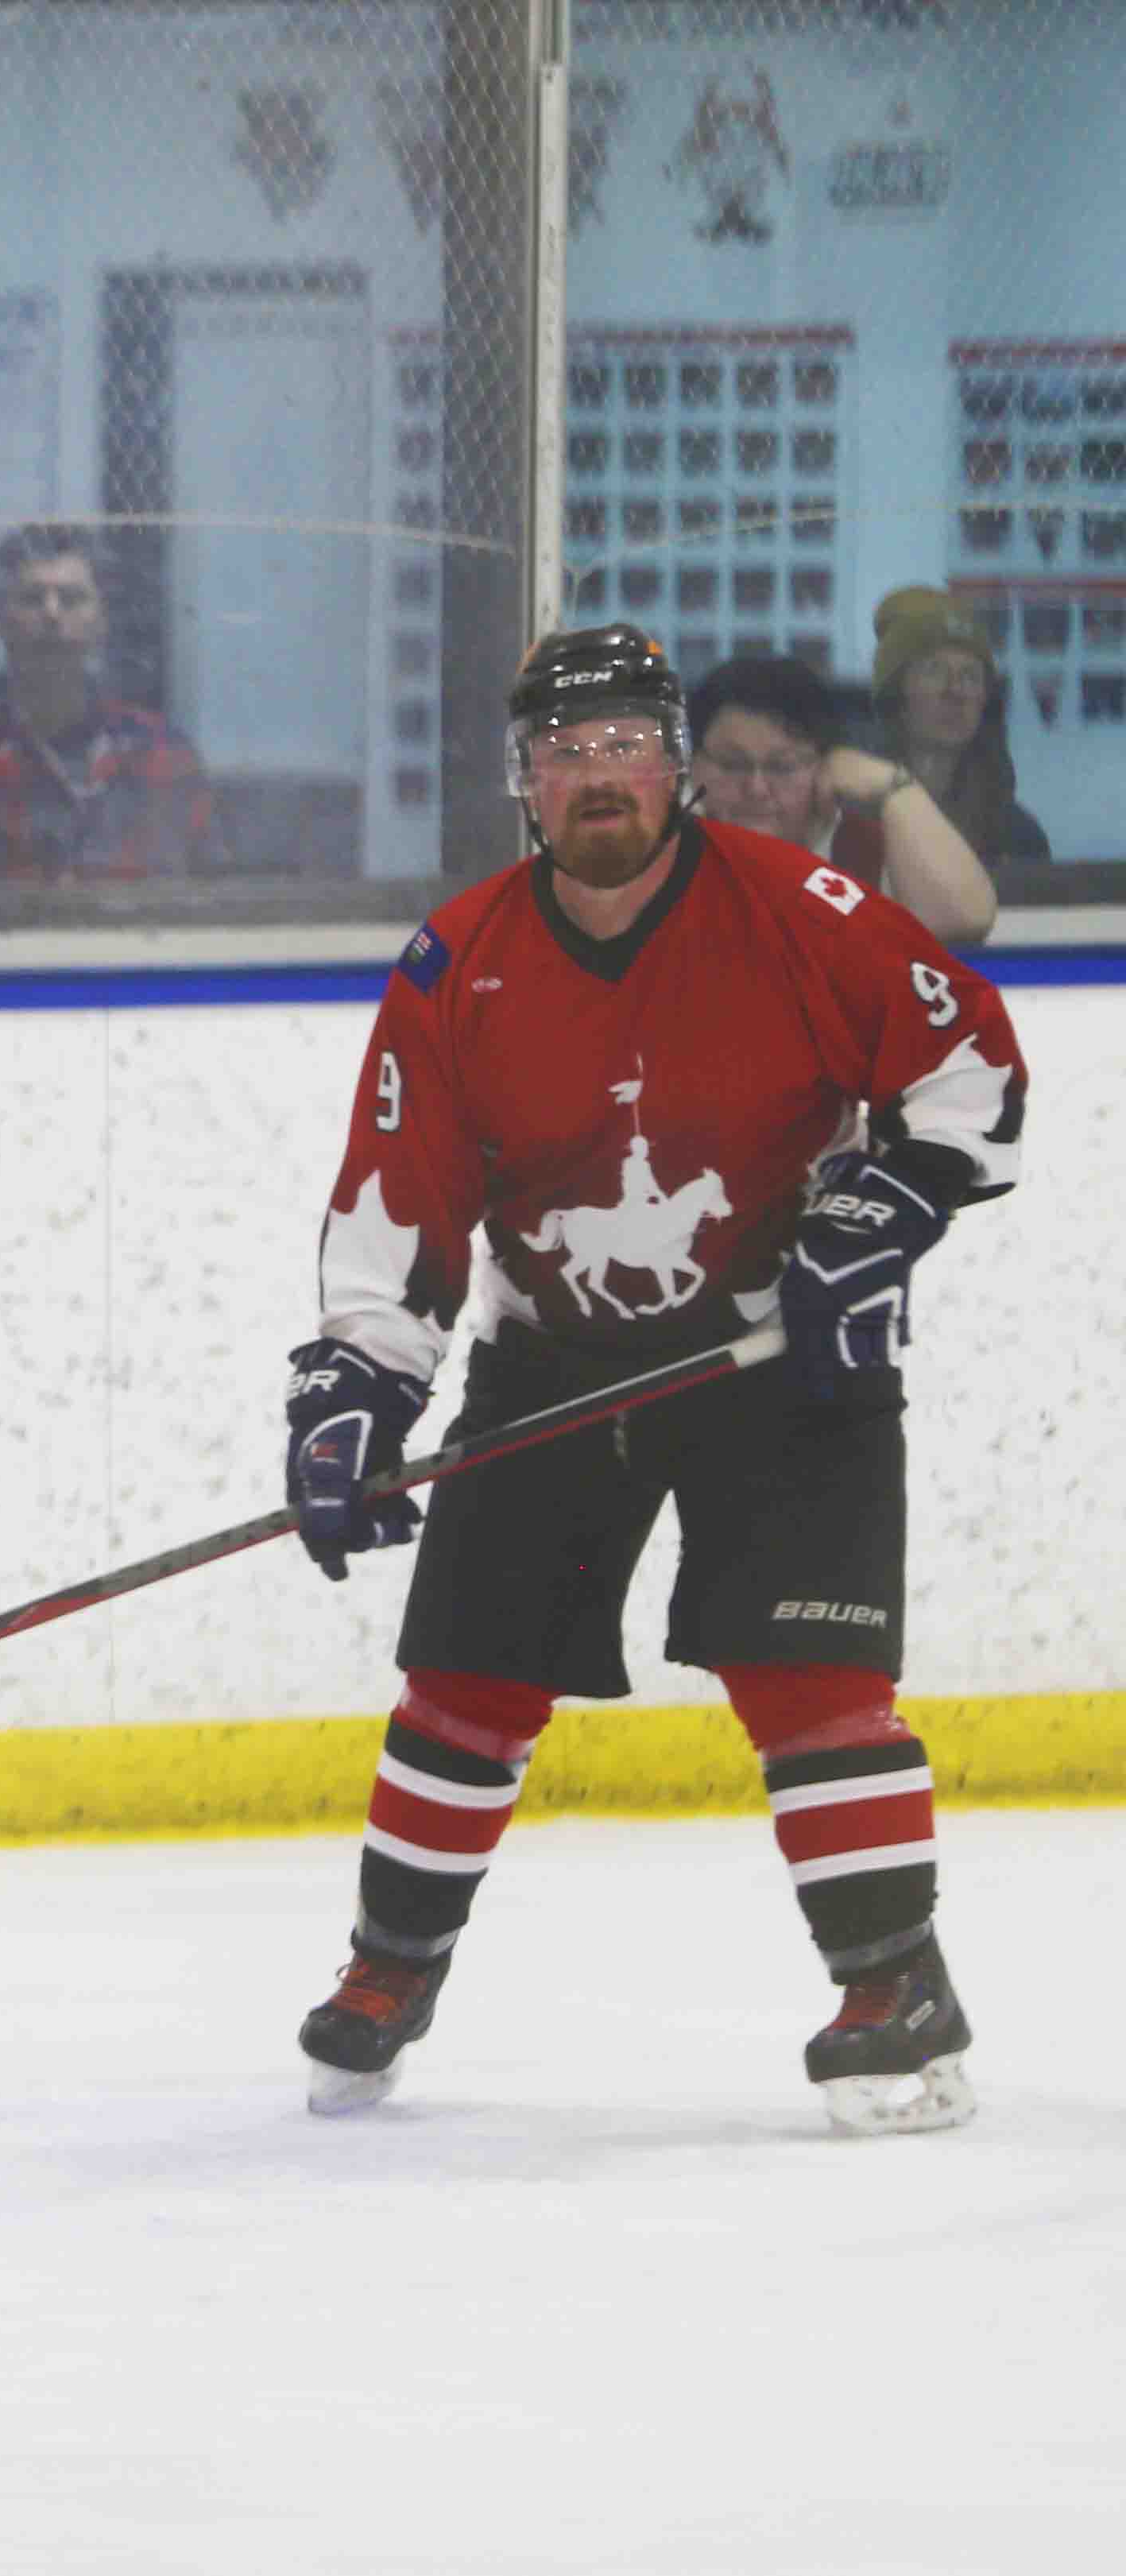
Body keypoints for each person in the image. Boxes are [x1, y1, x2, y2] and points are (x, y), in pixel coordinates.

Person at [282, 625, 1026, 2138]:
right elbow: (398, 1194)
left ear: (675, 765)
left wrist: (877, 1209)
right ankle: (387, 1968)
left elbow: (970, 1076)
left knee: (809, 1680)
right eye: (564, 750)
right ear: (521, 782)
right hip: (554, 1355)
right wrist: (356, 1385)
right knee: (465, 1676)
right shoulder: (453, 962)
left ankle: (893, 1981)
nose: (596, 773)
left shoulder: (797, 907)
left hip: (781, 1350)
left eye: (624, 741)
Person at [0, 521, 216, 882]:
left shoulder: (163, 754)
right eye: (32, 598)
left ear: (102, 620)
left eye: (71, 598)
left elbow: (210, 898)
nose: (52, 614)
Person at [687, 652, 998, 945]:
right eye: (732, 764)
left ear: (827, 767)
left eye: (783, 767)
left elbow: (964, 922)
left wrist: (896, 789)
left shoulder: (867, 850)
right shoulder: (667, 847)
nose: (756, 788)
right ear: (694, 768)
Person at [869, 586, 1047, 874]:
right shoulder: (850, 821)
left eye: (970, 676)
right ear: (896, 697)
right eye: (934, 671)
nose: (955, 691)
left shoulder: (1017, 835)